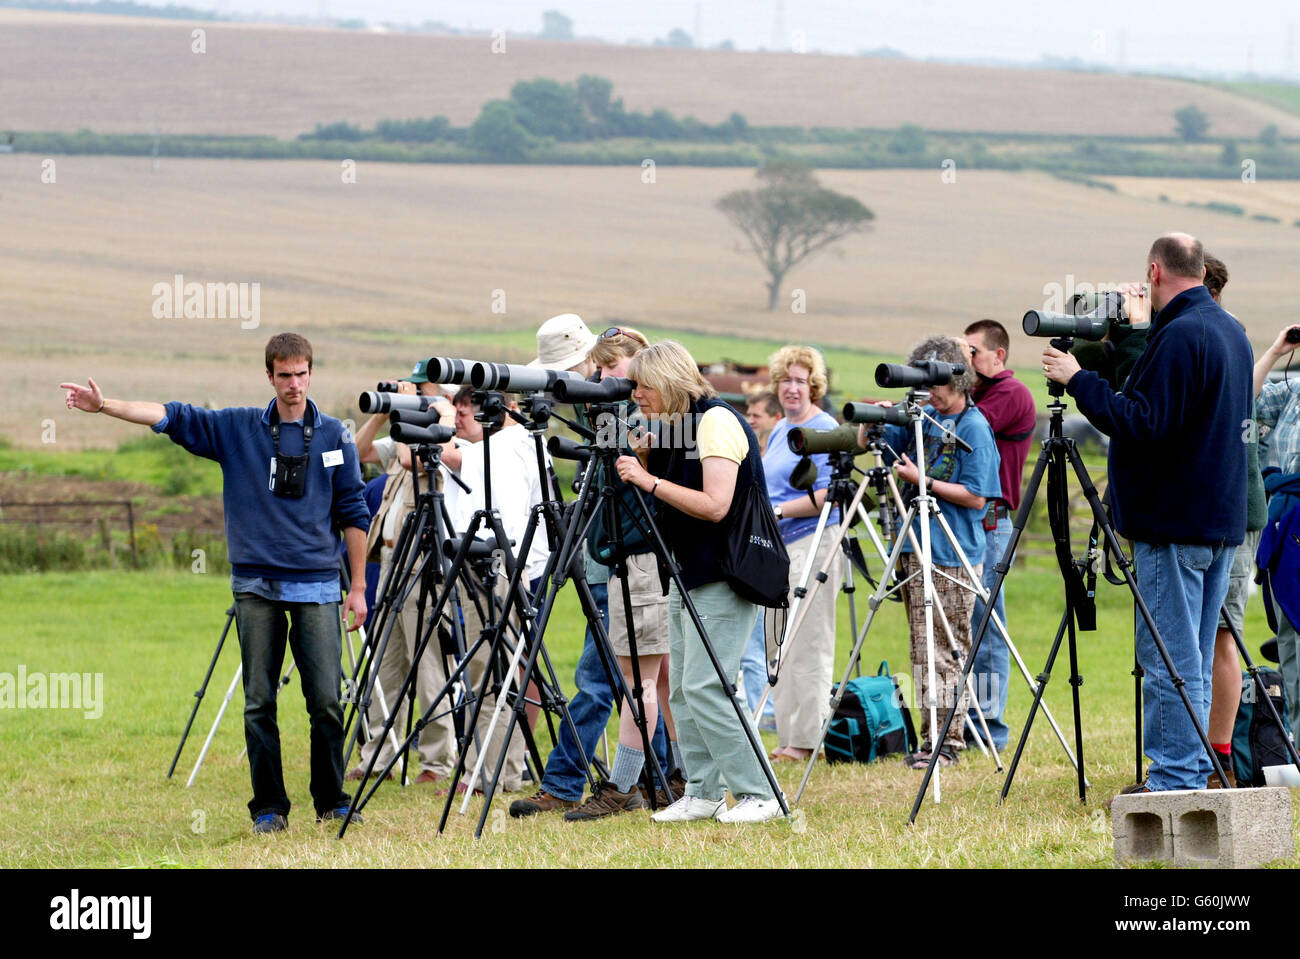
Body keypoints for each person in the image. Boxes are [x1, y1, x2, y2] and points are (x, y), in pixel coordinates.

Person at [61, 333, 370, 834]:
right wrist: (104, 406)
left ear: (312, 373)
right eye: (284, 375)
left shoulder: (335, 436)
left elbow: (354, 513)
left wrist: (356, 588)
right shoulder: (237, 429)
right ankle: (269, 808)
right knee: (258, 701)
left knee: (328, 701)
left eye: (302, 374)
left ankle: (331, 800)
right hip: (256, 585)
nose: (294, 384)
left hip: (317, 584)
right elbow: (169, 415)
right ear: (269, 376)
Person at [1042, 233, 1253, 795]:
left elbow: (1142, 421)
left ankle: (1174, 779)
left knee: (1166, 659)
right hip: (1218, 522)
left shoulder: (1180, 335)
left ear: (1155, 271)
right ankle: (1193, 768)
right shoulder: (1231, 331)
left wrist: (1077, 378)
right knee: (1194, 657)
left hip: (1172, 523)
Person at [510, 319, 674, 818]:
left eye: (589, 370)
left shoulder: (636, 413)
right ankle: (662, 779)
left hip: (627, 554)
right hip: (603, 557)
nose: (582, 383)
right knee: (641, 683)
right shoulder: (600, 408)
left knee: (602, 681)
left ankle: (565, 782)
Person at [616, 340, 783, 823]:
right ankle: (703, 792)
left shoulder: (715, 421)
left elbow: (714, 505)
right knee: (685, 691)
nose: (636, 396)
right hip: (687, 573)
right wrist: (648, 460)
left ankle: (760, 793)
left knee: (709, 686)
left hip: (722, 574)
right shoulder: (678, 427)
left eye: (642, 386)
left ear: (667, 382)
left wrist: (646, 479)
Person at [563, 326, 681, 820]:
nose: (606, 383)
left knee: (640, 681)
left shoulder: (650, 423)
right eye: (600, 372)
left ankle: (628, 784)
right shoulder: (624, 420)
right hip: (631, 559)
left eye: (615, 373)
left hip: (642, 560)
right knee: (660, 684)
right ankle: (681, 776)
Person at [873, 336, 1001, 768]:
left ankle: (948, 742)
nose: (932, 391)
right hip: (915, 548)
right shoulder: (923, 418)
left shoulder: (973, 427)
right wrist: (872, 416)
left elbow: (976, 496)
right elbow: (878, 439)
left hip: (953, 553)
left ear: (958, 379)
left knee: (947, 649)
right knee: (922, 649)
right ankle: (930, 740)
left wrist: (923, 480)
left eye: (938, 381)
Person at [349, 363, 458, 785]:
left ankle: (435, 761)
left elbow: (418, 456)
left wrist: (427, 408)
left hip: (425, 561)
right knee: (384, 664)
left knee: (430, 663)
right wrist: (383, 411)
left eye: (422, 388)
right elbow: (356, 453)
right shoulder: (401, 436)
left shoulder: (445, 434)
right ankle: (379, 755)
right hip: (391, 562)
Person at [1203, 256, 1265, 788]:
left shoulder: (1222, 335)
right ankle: (1194, 748)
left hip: (1235, 508)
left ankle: (1219, 754)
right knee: (1197, 633)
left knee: (1223, 632)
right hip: (1211, 506)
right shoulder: (1217, 335)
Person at [763, 346, 841, 764]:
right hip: (776, 547)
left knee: (809, 639)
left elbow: (831, 493)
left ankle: (808, 740)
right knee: (779, 639)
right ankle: (786, 737)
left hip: (813, 540)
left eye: (800, 381)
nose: (792, 388)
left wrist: (778, 510)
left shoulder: (824, 428)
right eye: (786, 380)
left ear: (813, 386)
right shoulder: (779, 429)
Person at [960, 319, 1036, 751]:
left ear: (998, 355)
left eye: (972, 351)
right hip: (964, 516)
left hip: (990, 519)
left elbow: (963, 432)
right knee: (957, 622)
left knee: (985, 625)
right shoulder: (976, 395)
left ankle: (989, 727)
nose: (966, 360)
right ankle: (962, 720)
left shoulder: (1010, 393)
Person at [1251, 321, 1300, 747]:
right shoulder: (1295, 390)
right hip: (1286, 523)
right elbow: (1243, 401)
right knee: (1288, 634)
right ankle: (1296, 741)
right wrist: (1274, 350)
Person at [746, 389, 783, 456]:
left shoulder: (786, 449)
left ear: (777, 418)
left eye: (756, 416)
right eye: (749, 415)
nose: (750, 421)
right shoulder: (747, 447)